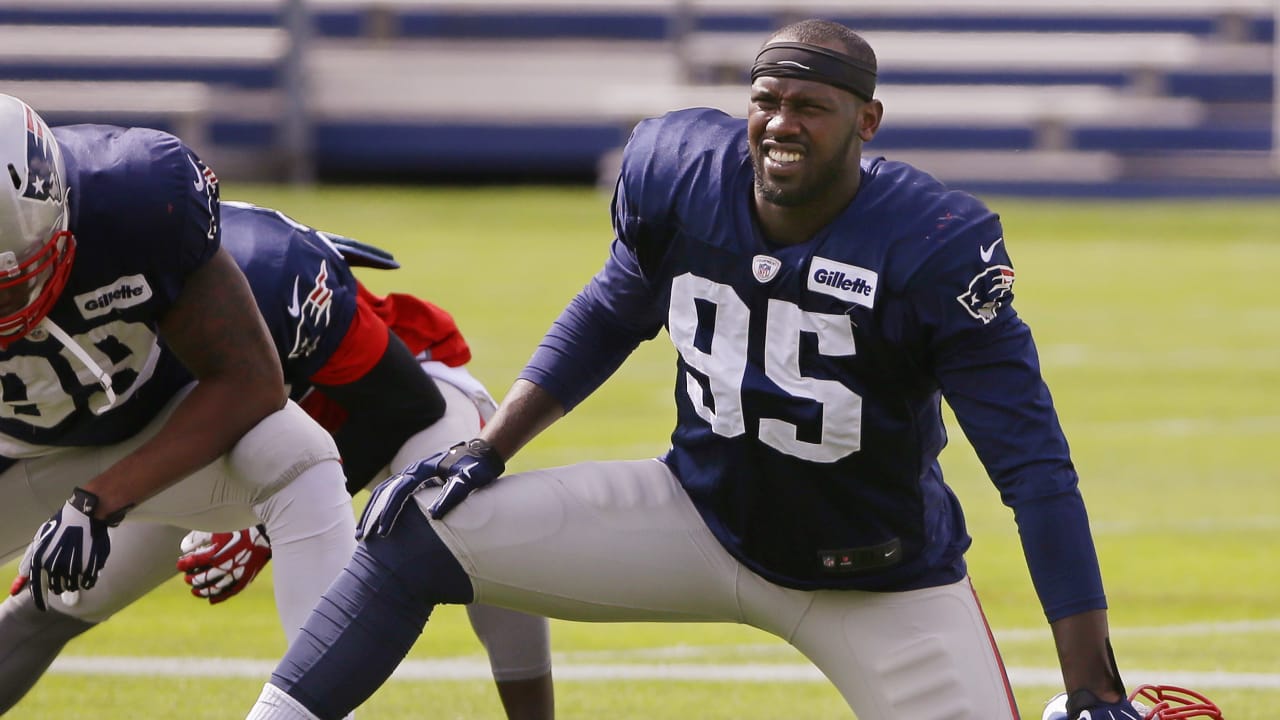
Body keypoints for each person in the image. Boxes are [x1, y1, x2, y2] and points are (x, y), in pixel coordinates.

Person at [246, 19, 1144, 720]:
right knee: (416, 526)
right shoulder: (682, 174)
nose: (781, 122)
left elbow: (1033, 471)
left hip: (878, 578)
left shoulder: (933, 245)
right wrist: (488, 447)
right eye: (767, 99)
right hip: (696, 517)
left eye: (812, 106)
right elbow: (610, 311)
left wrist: (1095, 685)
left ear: (865, 123)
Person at [0, 200, 556, 719]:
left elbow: (405, 405)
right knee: (53, 602)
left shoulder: (272, 271)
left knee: (472, 521)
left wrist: (259, 533)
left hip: (392, 398)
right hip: (230, 431)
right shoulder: (84, 297)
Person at [0, 94, 357, 711]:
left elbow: (250, 381)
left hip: (150, 427)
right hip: (11, 451)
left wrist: (100, 501)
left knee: (298, 455)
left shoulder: (140, 199)